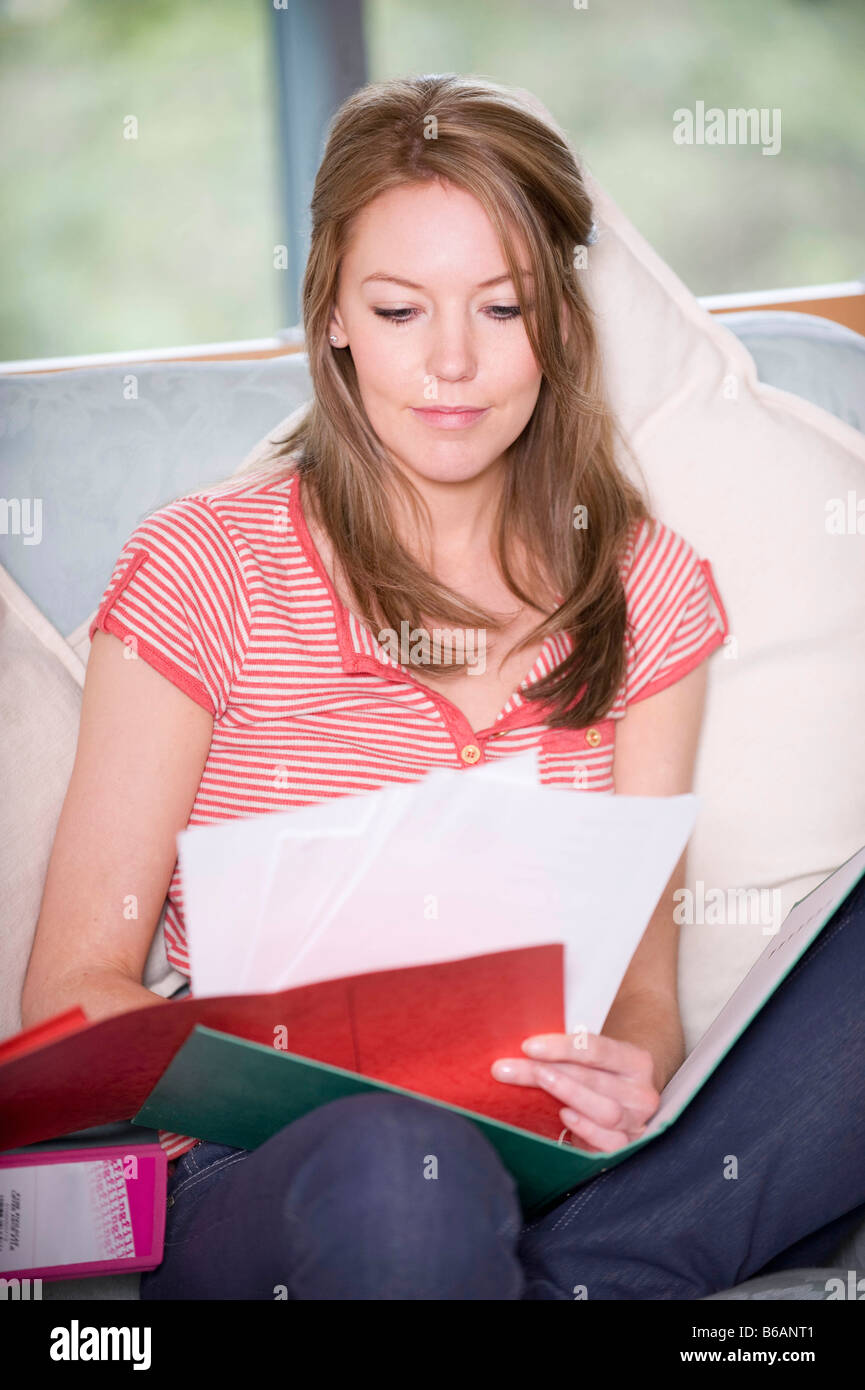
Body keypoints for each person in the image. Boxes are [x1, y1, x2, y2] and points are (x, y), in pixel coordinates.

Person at [21, 74, 865, 1300]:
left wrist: (629, 1063)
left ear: (558, 324)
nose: (454, 365)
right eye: (402, 309)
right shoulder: (202, 565)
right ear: (336, 318)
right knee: (401, 1165)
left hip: (559, 1177)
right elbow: (74, 993)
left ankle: (569, 1273)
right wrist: (330, 1066)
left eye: (503, 307)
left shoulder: (647, 585)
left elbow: (638, 978)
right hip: (284, 1171)